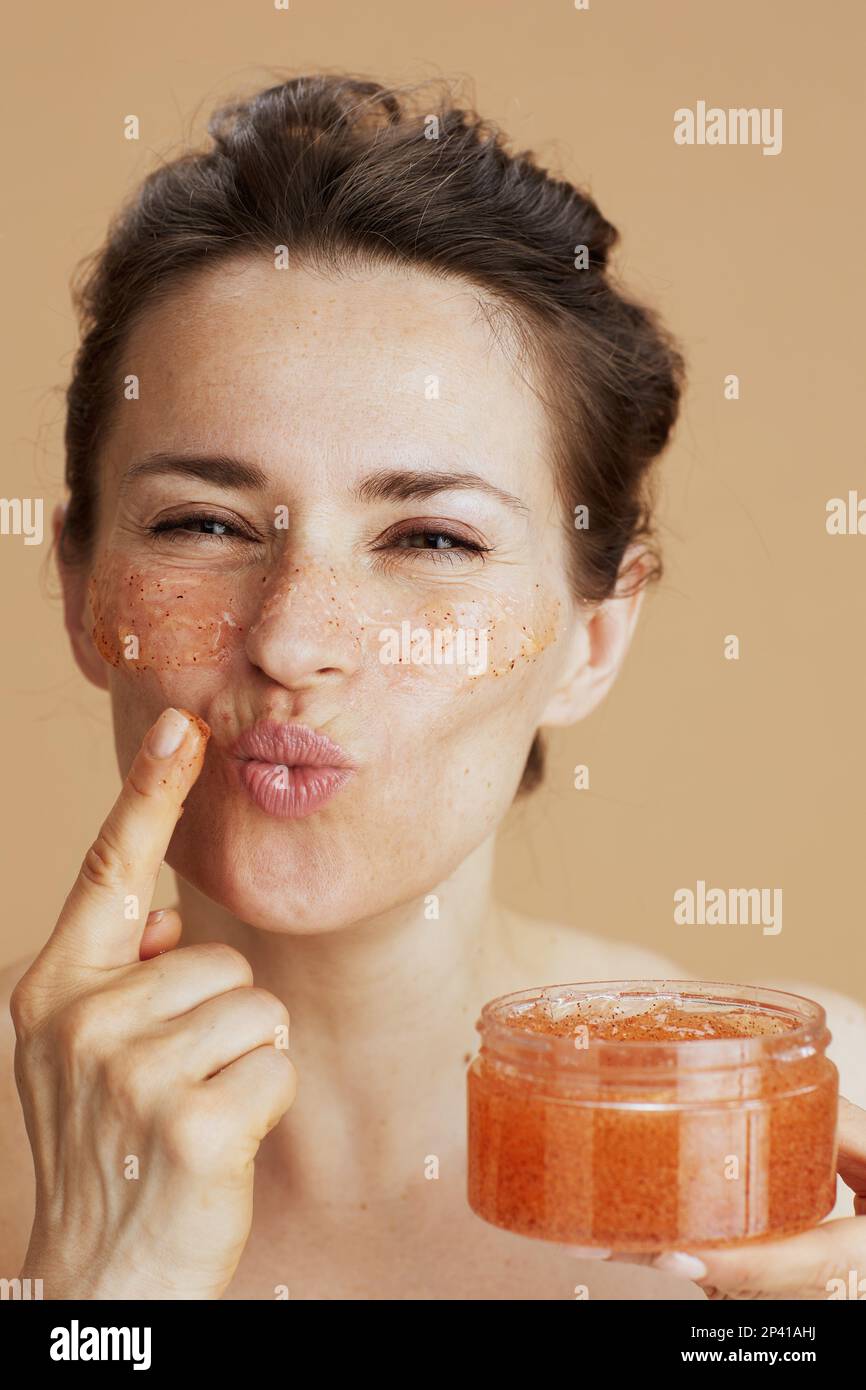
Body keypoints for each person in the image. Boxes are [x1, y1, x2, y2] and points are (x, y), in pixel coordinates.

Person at [1, 74, 863, 1300]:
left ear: (592, 636)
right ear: (84, 586)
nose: (294, 640)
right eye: (203, 523)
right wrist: (88, 1303)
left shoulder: (813, 1122)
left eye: (429, 542)